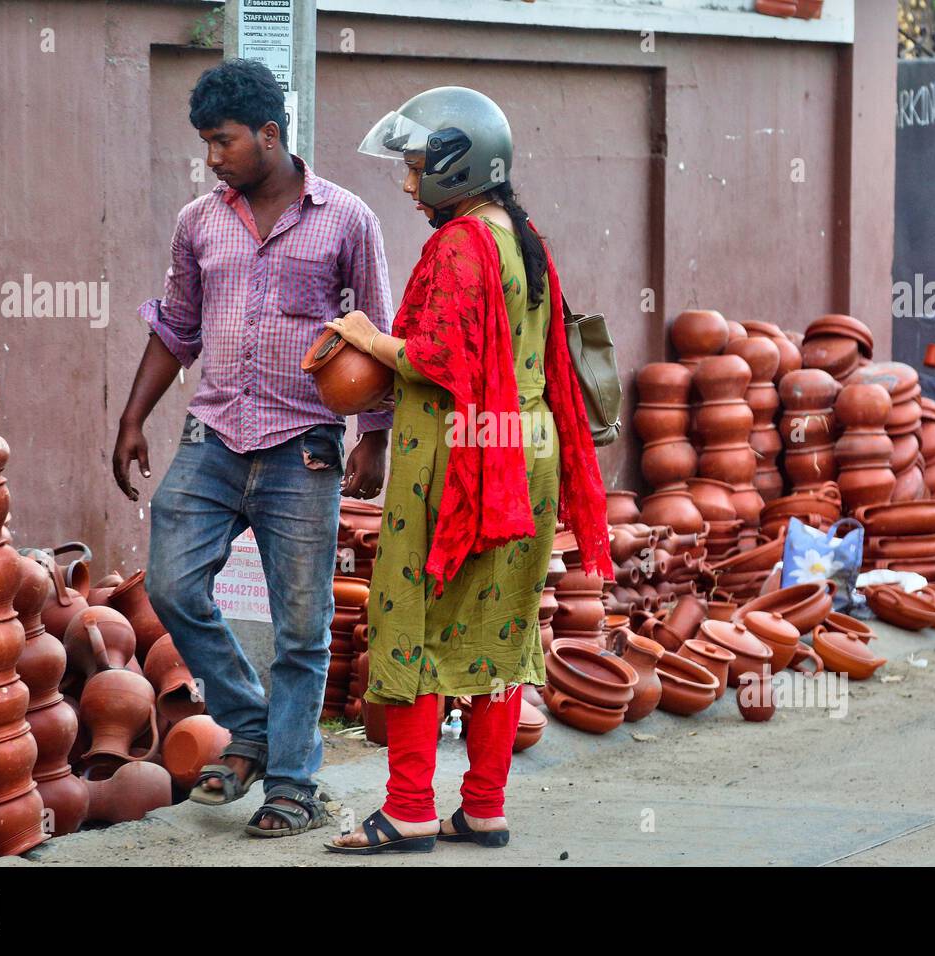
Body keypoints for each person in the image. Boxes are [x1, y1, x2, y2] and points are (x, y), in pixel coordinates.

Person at [321, 87, 611, 853]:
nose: (410, 184)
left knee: (409, 619)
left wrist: (363, 336)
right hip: (526, 451)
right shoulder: (524, 235)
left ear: (457, 165)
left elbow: (439, 358)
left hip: (457, 456)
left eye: (417, 167)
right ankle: (483, 806)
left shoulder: (458, 245)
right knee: (499, 621)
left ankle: (410, 806)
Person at [111, 59, 394, 837]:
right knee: (171, 583)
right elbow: (176, 326)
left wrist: (373, 437)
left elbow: (374, 333)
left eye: (223, 141)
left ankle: (293, 788)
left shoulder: (348, 218)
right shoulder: (199, 221)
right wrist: (134, 417)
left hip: (304, 445)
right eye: (206, 142)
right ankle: (253, 721)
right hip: (215, 435)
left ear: (270, 134)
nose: (213, 157)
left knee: (302, 628)